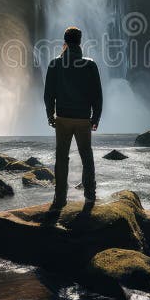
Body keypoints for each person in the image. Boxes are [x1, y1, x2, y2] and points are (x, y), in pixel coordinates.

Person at [44, 26, 103, 209]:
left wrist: (50, 114)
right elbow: (97, 95)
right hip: (83, 119)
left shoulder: (55, 63)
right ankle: (90, 196)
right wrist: (96, 118)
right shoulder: (90, 64)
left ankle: (60, 199)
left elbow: (48, 94)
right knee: (87, 157)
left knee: (61, 158)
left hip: (62, 118)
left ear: (65, 41)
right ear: (80, 41)